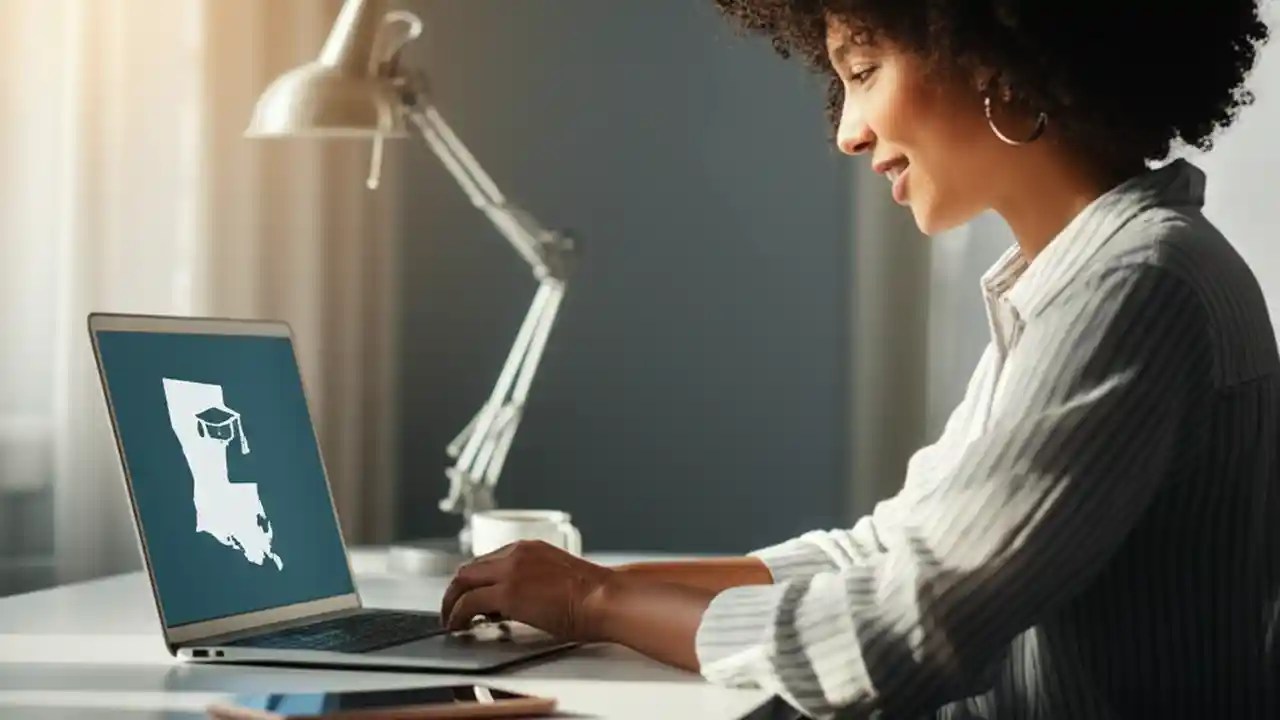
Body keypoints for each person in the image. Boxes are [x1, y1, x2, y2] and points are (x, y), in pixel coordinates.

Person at [441, 1, 1279, 717]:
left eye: (865, 69)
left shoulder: (1134, 289)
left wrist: (599, 603)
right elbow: (883, 553)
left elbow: (905, 630)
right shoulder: (1083, 280)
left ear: (993, 53)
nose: (847, 131)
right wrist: (580, 588)